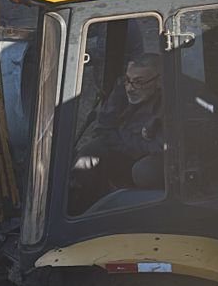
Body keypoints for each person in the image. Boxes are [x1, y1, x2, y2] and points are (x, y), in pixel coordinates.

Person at [71, 53, 165, 211]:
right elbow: (103, 127)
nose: (130, 88)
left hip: (153, 163)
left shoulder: (170, 102)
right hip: (126, 151)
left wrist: (121, 133)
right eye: (129, 80)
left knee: (144, 171)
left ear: (158, 81)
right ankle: (79, 209)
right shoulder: (122, 88)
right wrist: (134, 139)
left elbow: (159, 147)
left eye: (139, 82)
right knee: (88, 155)